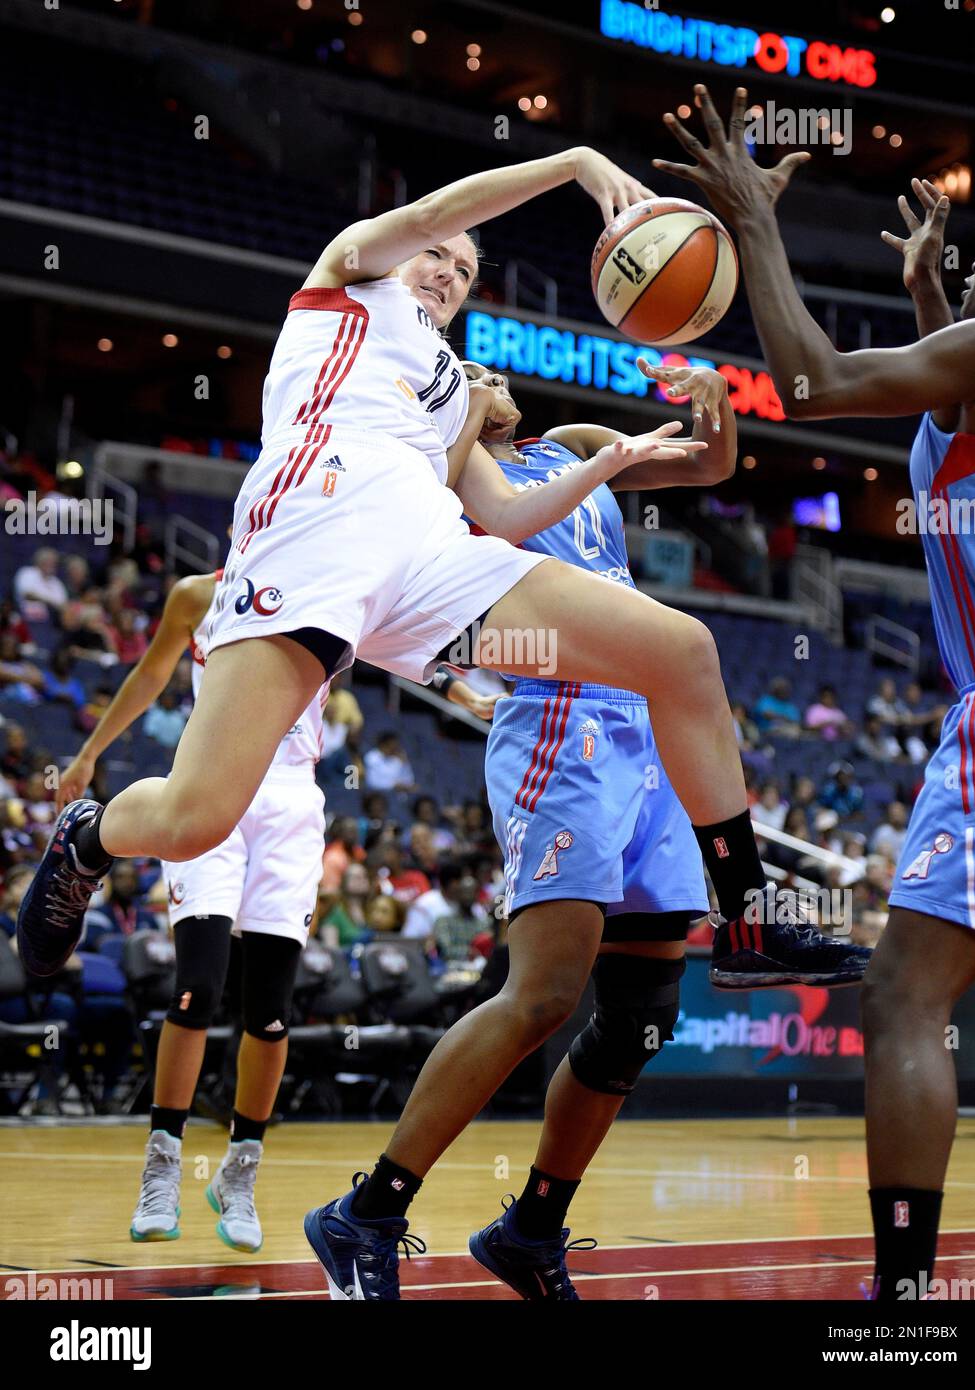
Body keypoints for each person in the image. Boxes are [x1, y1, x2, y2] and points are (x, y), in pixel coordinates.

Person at [18, 136, 863, 1279]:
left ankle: (749, 918)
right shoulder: (348, 279)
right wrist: (571, 164)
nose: (449, 273)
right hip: (311, 540)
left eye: (465, 274)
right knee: (196, 818)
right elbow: (441, 216)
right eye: (443, 256)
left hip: (426, 564)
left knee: (682, 650)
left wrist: (611, 464)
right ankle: (87, 836)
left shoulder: (454, 391)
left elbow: (504, 523)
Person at [308, 359, 868, 1302]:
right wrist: (463, 418)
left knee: (642, 1016)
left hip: (647, 728)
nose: (487, 375)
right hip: (559, 729)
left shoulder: (557, 449)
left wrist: (713, 407)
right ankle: (367, 1208)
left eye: (485, 368)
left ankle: (531, 1228)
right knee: (540, 998)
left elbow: (706, 468)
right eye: (465, 372)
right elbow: (441, 563)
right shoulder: (436, 475)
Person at [656, 85, 975, 1300]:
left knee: (906, 989)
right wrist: (925, 291)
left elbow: (806, 386)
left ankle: (901, 1298)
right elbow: (946, 405)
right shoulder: (973, 364)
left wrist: (753, 220)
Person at [55, 569, 329, 1252]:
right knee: (196, 989)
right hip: (212, 783)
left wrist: (463, 688)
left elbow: (414, 647)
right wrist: (91, 753)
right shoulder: (196, 596)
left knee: (268, 1012)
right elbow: (149, 677)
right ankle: (162, 1163)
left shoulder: (336, 583)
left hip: (291, 803)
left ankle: (239, 1172)